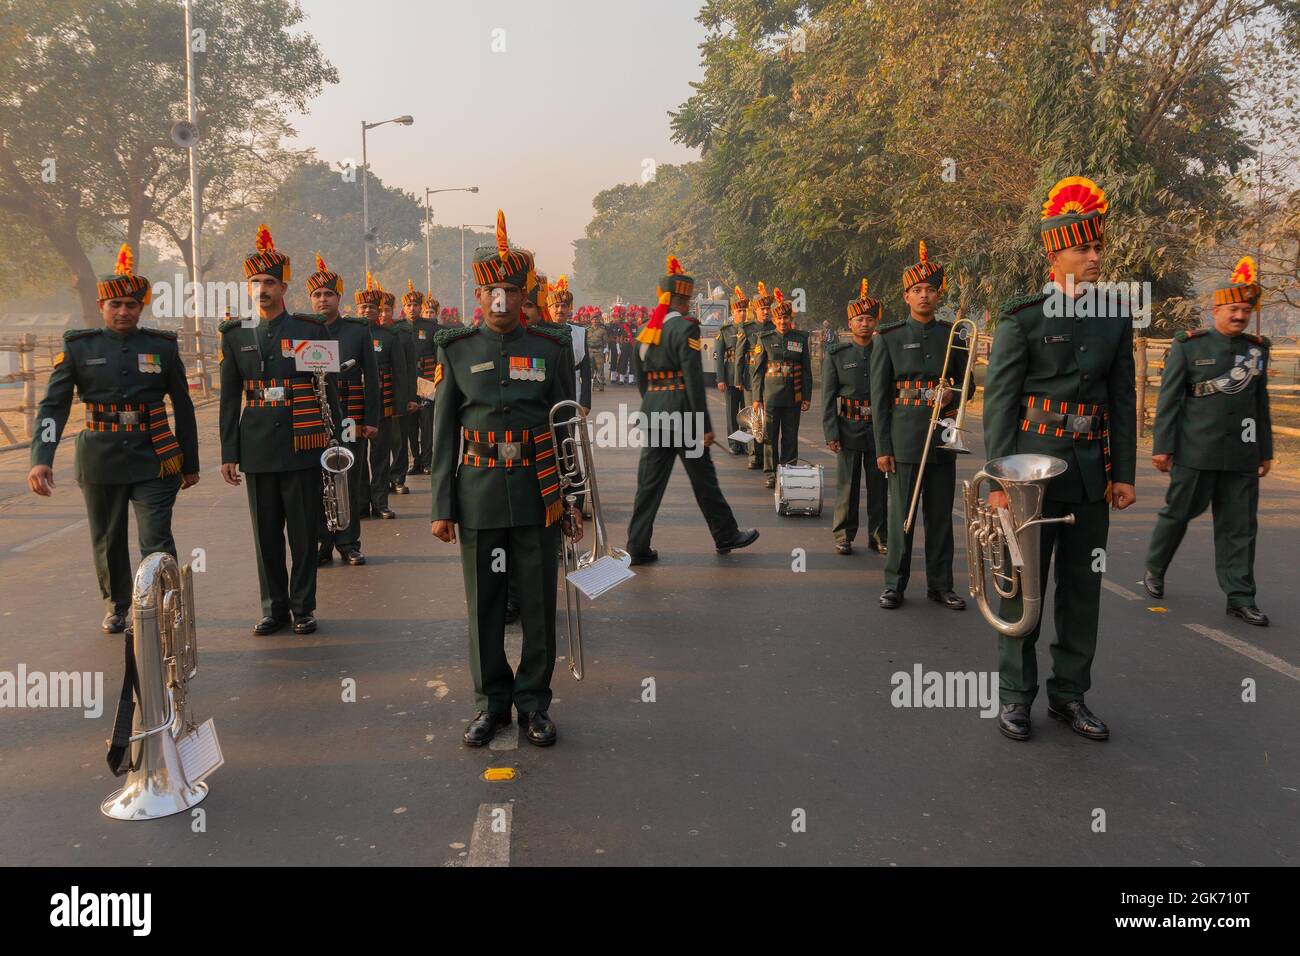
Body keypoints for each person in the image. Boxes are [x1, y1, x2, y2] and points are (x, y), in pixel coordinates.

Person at [982, 175, 1137, 742]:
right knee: (1021, 584)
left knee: (1082, 588)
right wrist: (997, 479)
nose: (1095, 257)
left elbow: (1123, 400)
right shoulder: (1022, 317)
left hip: (1091, 477)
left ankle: (1069, 695)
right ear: (1056, 253)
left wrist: (1123, 474)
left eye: (1099, 247)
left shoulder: (1116, 317)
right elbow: (1000, 401)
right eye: (1084, 248)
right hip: (1028, 479)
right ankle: (1017, 696)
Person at [430, 210, 581, 748]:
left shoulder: (550, 348)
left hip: (539, 492)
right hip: (477, 494)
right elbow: (443, 433)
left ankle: (535, 703)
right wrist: (442, 506)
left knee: (539, 603)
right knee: (485, 605)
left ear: (525, 295)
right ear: (480, 293)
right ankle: (490, 702)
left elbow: (567, 425)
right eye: (492, 289)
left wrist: (575, 498)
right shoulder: (457, 348)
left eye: (511, 290)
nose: (501, 298)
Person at [29, 244, 199, 635]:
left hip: (154, 455)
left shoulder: (161, 347)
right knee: (107, 539)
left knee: (156, 536)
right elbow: (53, 407)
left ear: (142, 308)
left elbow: (184, 406)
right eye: (116, 304)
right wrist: (42, 457)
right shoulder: (78, 347)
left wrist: (189, 462)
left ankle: (163, 603)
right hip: (100, 458)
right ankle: (118, 605)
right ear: (102, 306)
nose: (123, 312)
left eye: (131, 305)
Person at [1143, 256, 1272, 625]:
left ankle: (1240, 595)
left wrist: (1264, 450)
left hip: (1242, 456)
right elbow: (1170, 400)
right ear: (1215, 309)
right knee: (1178, 514)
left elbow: (1259, 404)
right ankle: (1155, 567)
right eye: (1233, 308)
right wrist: (1163, 446)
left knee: (1240, 527)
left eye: (1246, 309)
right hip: (1196, 450)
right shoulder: (1190, 346)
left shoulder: (1257, 350)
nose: (1240, 315)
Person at [218, 225, 330, 635]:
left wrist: (333, 444)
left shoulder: (309, 330)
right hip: (258, 444)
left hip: (302, 440)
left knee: (303, 531)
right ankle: (273, 607)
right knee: (266, 533)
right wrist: (229, 452)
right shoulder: (235, 335)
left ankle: (303, 608)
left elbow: (326, 390)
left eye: (269, 282)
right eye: (255, 282)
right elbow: (230, 399)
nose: (262, 288)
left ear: (284, 286)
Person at [625, 255, 760, 564]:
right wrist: (704, 426)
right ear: (678, 299)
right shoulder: (686, 329)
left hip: (655, 415)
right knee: (704, 481)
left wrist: (655, 405)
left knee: (649, 484)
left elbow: (642, 381)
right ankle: (725, 534)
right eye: (685, 298)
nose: (688, 304)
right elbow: (693, 381)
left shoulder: (646, 332)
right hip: (683, 417)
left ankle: (637, 545)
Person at [870, 242, 970, 612]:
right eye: (917, 290)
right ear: (906, 296)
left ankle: (941, 585)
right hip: (904, 440)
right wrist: (882, 448)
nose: (924, 295)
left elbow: (968, 383)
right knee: (902, 517)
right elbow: (880, 399)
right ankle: (894, 583)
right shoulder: (889, 338)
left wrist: (952, 395)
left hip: (942, 436)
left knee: (940, 517)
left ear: (938, 293)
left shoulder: (953, 335)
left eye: (930, 289)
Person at [309, 255, 379, 566]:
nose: (323, 300)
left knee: (348, 474)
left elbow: (372, 376)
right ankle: (322, 544)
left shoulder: (357, 330)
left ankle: (349, 542)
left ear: (339, 297)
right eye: (317, 295)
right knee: (317, 478)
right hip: (313, 412)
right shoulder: (303, 328)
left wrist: (371, 420)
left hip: (350, 410)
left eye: (329, 294)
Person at [823, 280, 887, 555]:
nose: (864, 324)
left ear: (875, 322)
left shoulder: (885, 352)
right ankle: (844, 535)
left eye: (869, 319)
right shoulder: (838, 355)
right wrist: (831, 432)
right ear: (850, 323)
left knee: (879, 486)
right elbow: (828, 397)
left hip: (878, 427)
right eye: (859, 319)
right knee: (847, 485)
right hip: (848, 426)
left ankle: (879, 536)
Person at [750, 288, 812, 490]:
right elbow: (757, 371)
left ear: (790, 318)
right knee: (769, 436)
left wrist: (806, 396)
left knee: (790, 435)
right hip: (771, 396)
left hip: (793, 395)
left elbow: (806, 371)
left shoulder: (800, 339)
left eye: (785, 318)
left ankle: (789, 470)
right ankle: (770, 473)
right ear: (774, 320)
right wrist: (757, 398)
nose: (782, 322)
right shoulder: (765, 338)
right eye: (779, 318)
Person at [364, 276, 412, 520]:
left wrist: (400, 403)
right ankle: (361, 502)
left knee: (380, 456)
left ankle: (380, 501)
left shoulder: (389, 337)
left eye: (373, 307)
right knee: (356, 458)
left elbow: (401, 372)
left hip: (382, 405)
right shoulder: (348, 334)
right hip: (353, 405)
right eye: (364, 307)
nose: (369, 310)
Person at [389, 283, 421, 493]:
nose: (380, 313)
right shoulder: (362, 331)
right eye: (375, 308)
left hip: (399, 394)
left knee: (399, 439)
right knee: (379, 445)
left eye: (385, 309)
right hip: (374, 395)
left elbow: (410, 368)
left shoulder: (402, 333)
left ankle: (398, 478)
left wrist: (411, 397)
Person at [410, 289, 444, 475]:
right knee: (410, 425)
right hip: (408, 380)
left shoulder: (432, 329)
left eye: (416, 305)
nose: (412, 308)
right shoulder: (402, 328)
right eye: (409, 305)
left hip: (427, 379)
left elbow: (438, 356)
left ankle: (427, 461)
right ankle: (414, 460)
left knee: (426, 422)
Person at [715, 285, 750, 455]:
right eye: (739, 310)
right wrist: (720, 379)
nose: (742, 313)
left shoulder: (751, 331)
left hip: (747, 378)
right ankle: (734, 443)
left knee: (745, 413)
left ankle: (744, 442)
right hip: (729, 377)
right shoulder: (725, 331)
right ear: (733, 312)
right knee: (731, 412)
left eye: (744, 310)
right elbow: (719, 357)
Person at [744, 282, 775, 470]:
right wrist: (739, 380)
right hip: (752, 378)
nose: (765, 312)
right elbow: (740, 356)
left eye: (767, 308)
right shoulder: (748, 329)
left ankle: (767, 456)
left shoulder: (774, 327)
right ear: (755, 310)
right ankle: (753, 454)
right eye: (762, 308)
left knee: (769, 420)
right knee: (754, 418)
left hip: (771, 378)